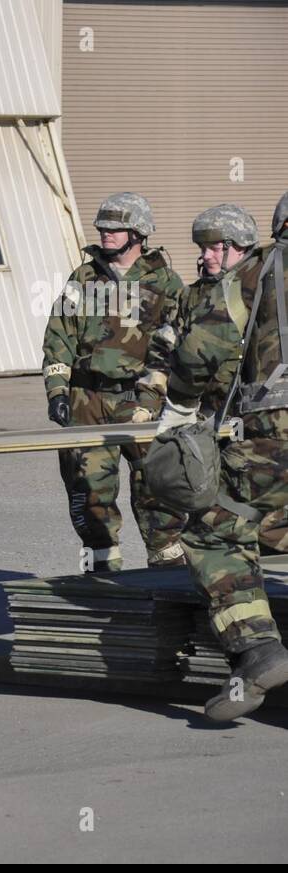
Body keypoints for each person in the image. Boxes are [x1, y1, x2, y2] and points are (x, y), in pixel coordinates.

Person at [156, 199, 288, 721]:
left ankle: (258, 651)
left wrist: (181, 405)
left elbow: (200, 351)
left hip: (271, 435)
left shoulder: (258, 273)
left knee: (217, 529)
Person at [43, 192, 186, 571]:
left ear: (138, 233)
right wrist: (58, 391)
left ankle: (168, 568)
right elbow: (59, 336)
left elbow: (175, 347)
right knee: (89, 489)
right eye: (102, 227)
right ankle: (103, 574)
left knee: (157, 486)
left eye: (115, 228)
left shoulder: (167, 284)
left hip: (141, 399)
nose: (105, 233)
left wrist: (153, 399)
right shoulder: (84, 278)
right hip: (86, 399)